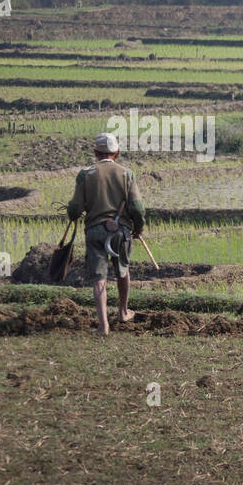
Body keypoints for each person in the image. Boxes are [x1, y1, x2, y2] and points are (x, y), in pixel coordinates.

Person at [67, 133, 146, 335]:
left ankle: (103, 326)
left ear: (95, 153)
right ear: (117, 153)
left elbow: (75, 208)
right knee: (123, 270)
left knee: (99, 278)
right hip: (121, 231)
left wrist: (75, 214)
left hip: (94, 230)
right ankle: (123, 311)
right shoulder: (127, 174)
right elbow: (137, 207)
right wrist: (138, 227)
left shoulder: (85, 174)